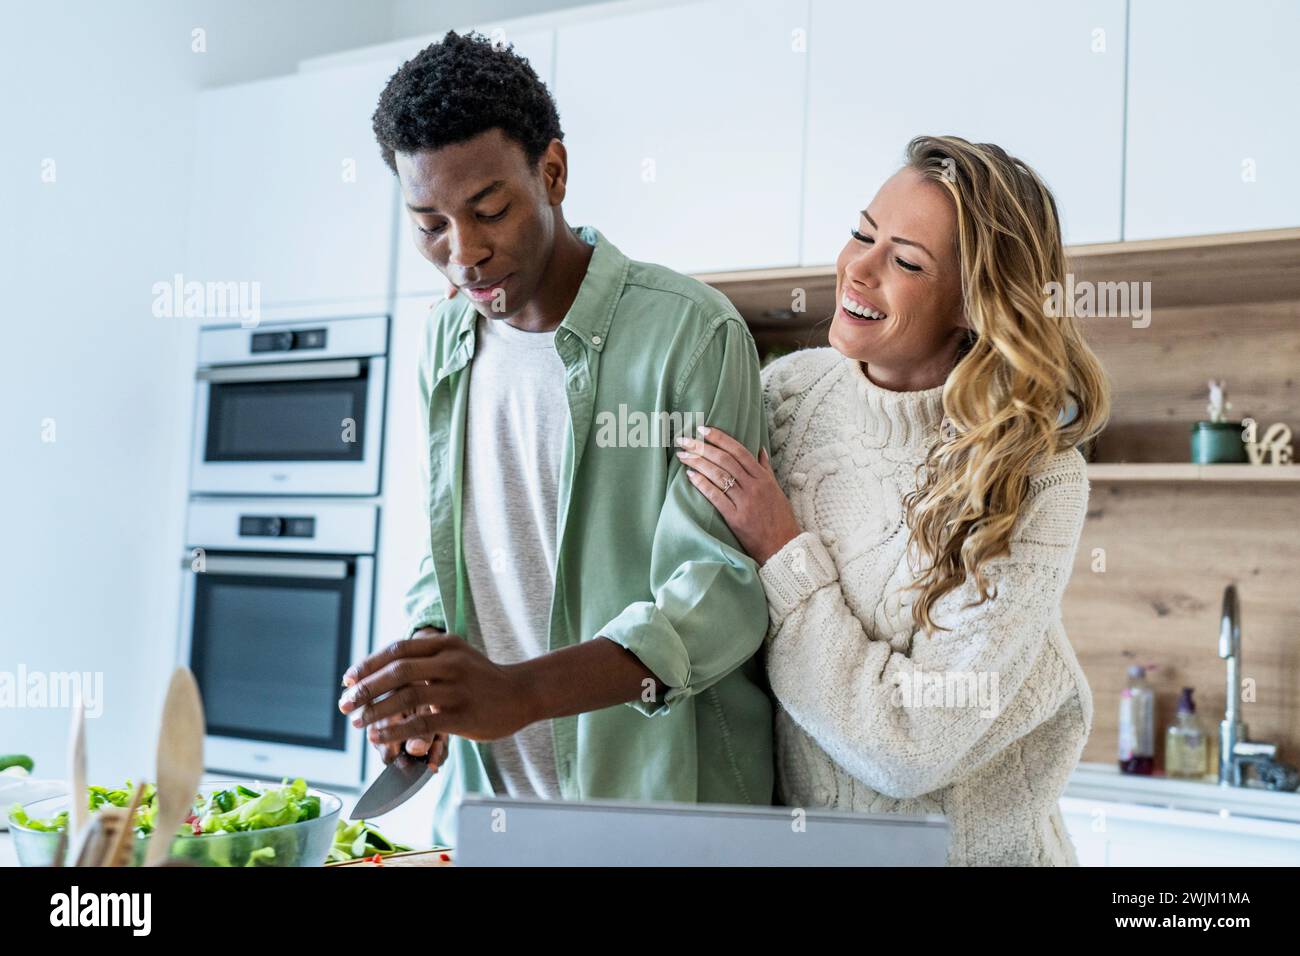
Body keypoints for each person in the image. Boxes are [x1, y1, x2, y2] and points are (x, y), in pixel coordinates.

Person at [339, 31, 773, 846]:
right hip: (492, 813)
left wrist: (520, 691)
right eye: (428, 224)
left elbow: (718, 595)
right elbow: (452, 556)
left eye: (489, 211)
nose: (462, 255)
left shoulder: (690, 333)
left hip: (660, 819)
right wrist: (430, 668)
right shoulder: (446, 341)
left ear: (554, 173)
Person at [678, 135, 1110, 865]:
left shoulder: (1031, 476)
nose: (859, 269)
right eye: (861, 233)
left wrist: (783, 552)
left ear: (975, 303)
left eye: (907, 261)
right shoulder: (789, 396)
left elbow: (910, 744)